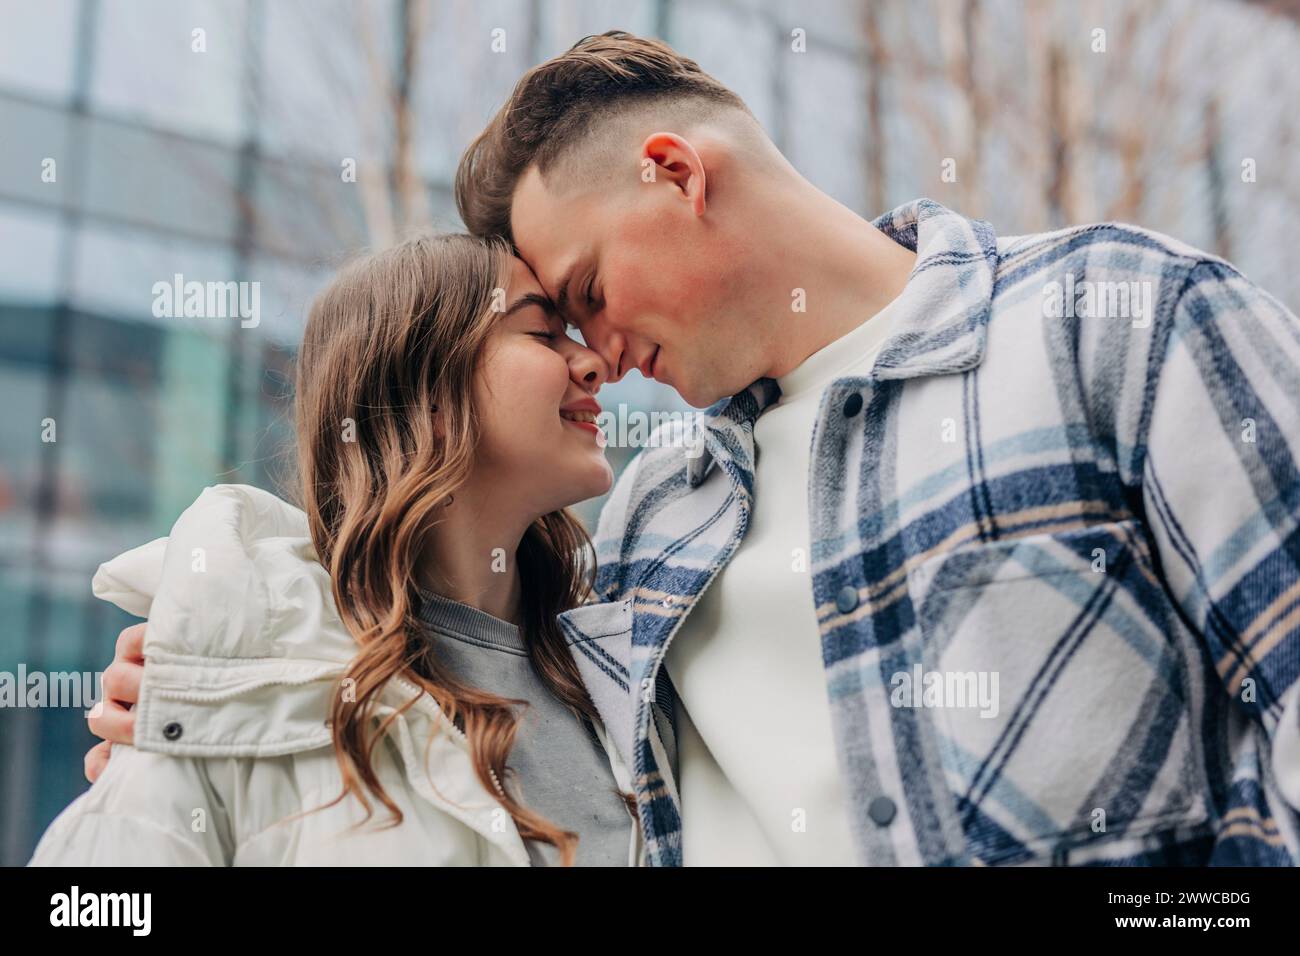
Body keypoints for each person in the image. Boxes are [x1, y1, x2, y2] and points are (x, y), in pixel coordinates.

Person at [87, 31, 1300, 867]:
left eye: (586, 291)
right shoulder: (659, 508)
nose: (596, 356)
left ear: (675, 174)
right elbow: (441, 652)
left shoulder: (1115, 319)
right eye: (551, 327)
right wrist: (207, 671)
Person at [34, 233, 651, 866]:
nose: (593, 361)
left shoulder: (630, 672)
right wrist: (201, 698)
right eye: (542, 335)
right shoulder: (238, 690)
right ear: (426, 393)